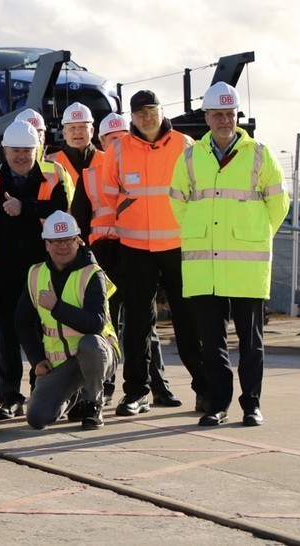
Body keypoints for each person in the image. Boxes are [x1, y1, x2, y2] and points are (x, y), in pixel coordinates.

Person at [170, 82, 288, 427]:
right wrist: (197, 231)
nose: (224, 120)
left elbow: (279, 203)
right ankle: (217, 404)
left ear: (238, 116)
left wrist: (256, 235)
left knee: (251, 342)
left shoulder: (260, 154)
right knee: (212, 343)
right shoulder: (191, 156)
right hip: (204, 264)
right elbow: (177, 200)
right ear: (206, 117)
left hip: (246, 266)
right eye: (217, 114)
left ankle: (251, 404)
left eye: (230, 114)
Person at [98, 89, 207, 417]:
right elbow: (108, 193)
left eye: (151, 109)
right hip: (135, 246)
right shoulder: (118, 149)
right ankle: (136, 393)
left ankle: (204, 388)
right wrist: (127, 215)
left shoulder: (184, 145)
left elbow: (199, 191)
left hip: (176, 244)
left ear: (162, 111)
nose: (146, 116)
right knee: (137, 324)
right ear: (131, 117)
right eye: (140, 111)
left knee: (188, 321)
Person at [0, 120, 69, 420]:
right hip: (3, 273)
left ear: (37, 150)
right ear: (4, 151)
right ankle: (10, 396)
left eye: (26, 150)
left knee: (44, 334)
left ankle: (42, 391)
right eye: (15, 151)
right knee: (7, 338)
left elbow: (61, 213)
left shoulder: (52, 179)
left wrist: (26, 207)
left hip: (43, 272)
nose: (21, 156)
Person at [90, 112, 181, 407]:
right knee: (119, 326)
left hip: (151, 246)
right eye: (109, 138)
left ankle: (161, 386)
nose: (116, 142)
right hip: (113, 255)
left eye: (120, 137)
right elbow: (83, 215)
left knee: (152, 324)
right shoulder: (93, 172)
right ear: (102, 141)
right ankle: (114, 387)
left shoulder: (176, 146)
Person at [16, 211, 119, 430]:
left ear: (77, 241)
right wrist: (36, 360)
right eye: (55, 241)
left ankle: (93, 403)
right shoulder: (36, 274)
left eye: (67, 240)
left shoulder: (92, 273)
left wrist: (56, 307)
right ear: (46, 244)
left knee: (90, 343)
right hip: (62, 363)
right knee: (37, 418)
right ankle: (77, 397)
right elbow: (22, 322)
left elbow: (96, 324)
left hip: (98, 354)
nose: (61, 247)